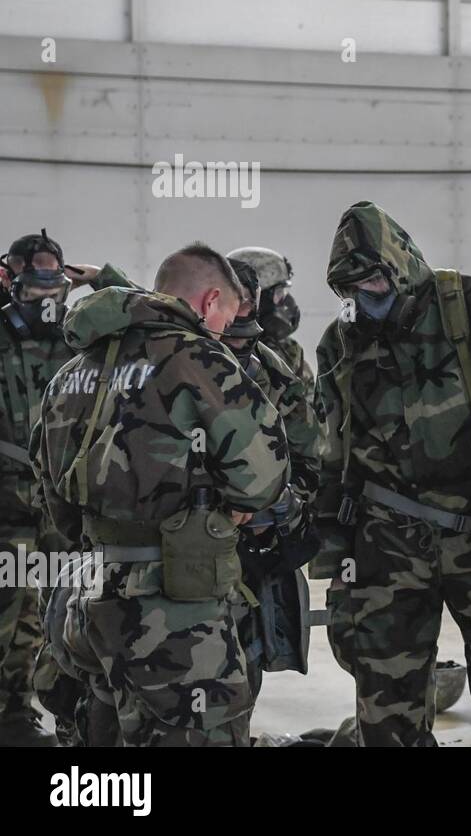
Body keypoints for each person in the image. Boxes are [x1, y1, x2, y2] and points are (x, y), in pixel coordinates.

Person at [31, 242, 290, 746]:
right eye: (228, 317)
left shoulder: (73, 370)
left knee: (101, 732)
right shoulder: (198, 359)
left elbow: (54, 498)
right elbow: (263, 480)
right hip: (176, 608)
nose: (224, 332)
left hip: (89, 597)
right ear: (211, 300)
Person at [313, 202, 471, 746]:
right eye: (353, 288)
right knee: (385, 699)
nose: (367, 295)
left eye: (374, 279)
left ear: (401, 264)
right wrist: (335, 556)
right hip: (387, 539)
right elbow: (333, 455)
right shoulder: (341, 342)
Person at [0, 231, 129, 745]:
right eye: (34, 292)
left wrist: (106, 280)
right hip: (7, 502)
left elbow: (156, 319)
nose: (45, 305)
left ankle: (68, 715)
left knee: (71, 609)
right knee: (10, 610)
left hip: (66, 503)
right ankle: (10, 713)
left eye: (55, 291)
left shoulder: (83, 335)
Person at [223, 258, 322, 706]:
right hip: (172, 555)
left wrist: (280, 505)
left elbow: (311, 456)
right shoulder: (165, 363)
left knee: (241, 676)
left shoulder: (275, 368)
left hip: (248, 556)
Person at [227, 247, 314, 390]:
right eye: (279, 293)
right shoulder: (219, 349)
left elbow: (311, 406)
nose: (286, 302)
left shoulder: (290, 352)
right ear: (256, 298)